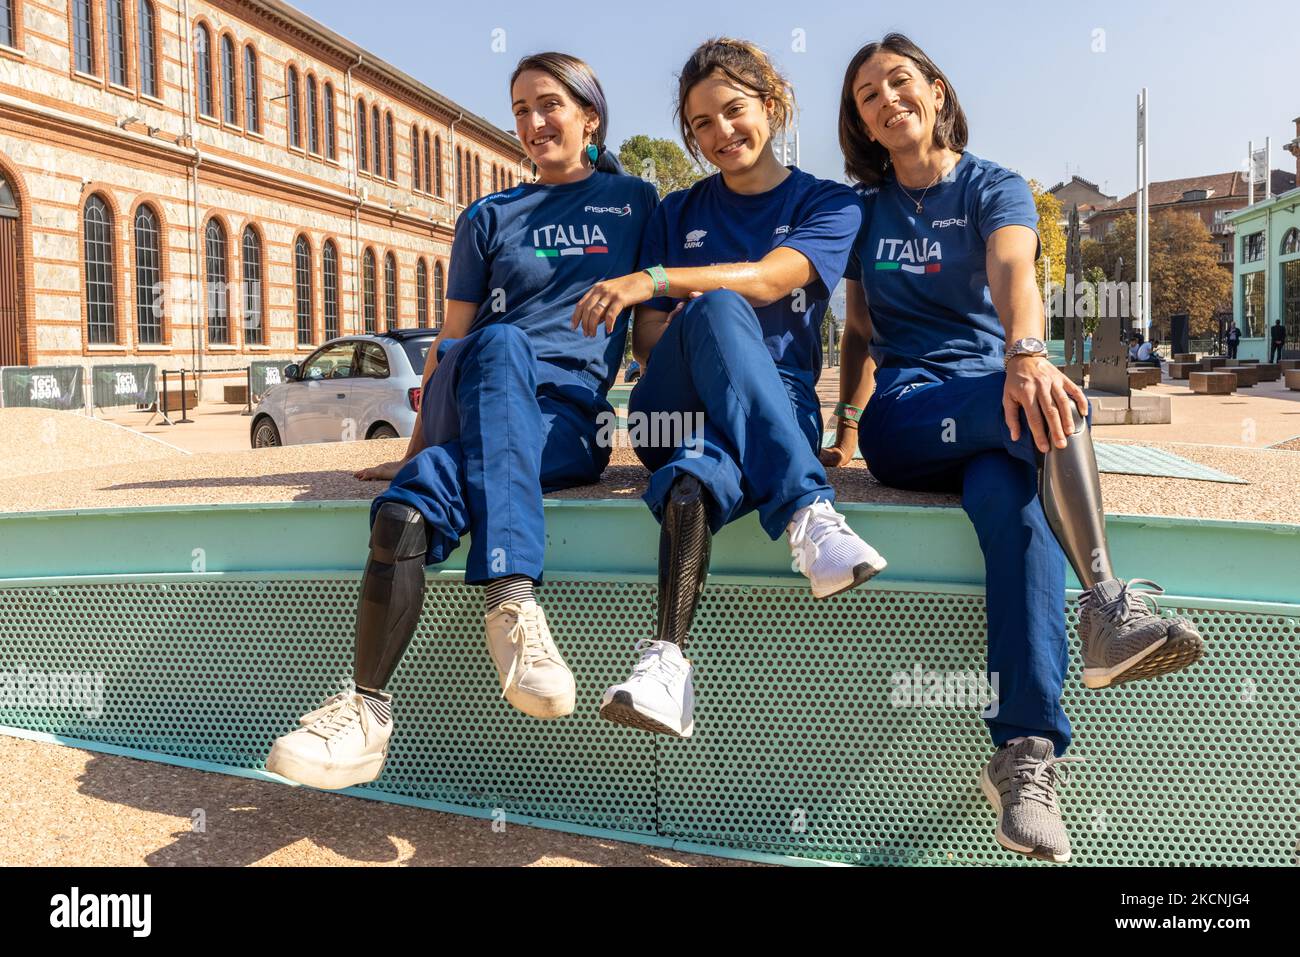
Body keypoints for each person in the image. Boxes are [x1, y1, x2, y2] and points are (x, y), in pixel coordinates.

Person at [827, 33, 1204, 862]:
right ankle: (1106, 604)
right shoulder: (861, 210)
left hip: (999, 396)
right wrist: (846, 428)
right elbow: (858, 329)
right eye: (866, 96)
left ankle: (1026, 759)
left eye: (899, 81)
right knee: (1051, 403)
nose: (886, 100)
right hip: (911, 411)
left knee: (1021, 512)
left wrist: (1024, 351)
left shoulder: (993, 186)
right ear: (860, 121)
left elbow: (1013, 272)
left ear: (934, 89)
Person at [264, 53, 659, 790]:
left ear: (589, 117)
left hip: (565, 421)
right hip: (478, 392)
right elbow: (451, 344)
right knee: (499, 341)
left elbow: (652, 337)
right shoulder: (487, 217)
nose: (534, 122)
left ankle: (366, 710)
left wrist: (669, 438)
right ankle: (509, 604)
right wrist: (413, 441)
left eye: (550, 105)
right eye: (520, 109)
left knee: (411, 505)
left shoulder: (637, 203)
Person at [570, 37, 886, 739]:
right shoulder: (675, 212)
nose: (720, 134)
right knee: (716, 309)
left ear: (771, 107)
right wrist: (693, 309)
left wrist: (658, 282)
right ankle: (807, 514)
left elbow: (777, 278)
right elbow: (650, 344)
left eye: (733, 112)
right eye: (701, 125)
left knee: (693, 480)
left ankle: (666, 664)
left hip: (776, 403)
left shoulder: (828, 204)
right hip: (671, 403)